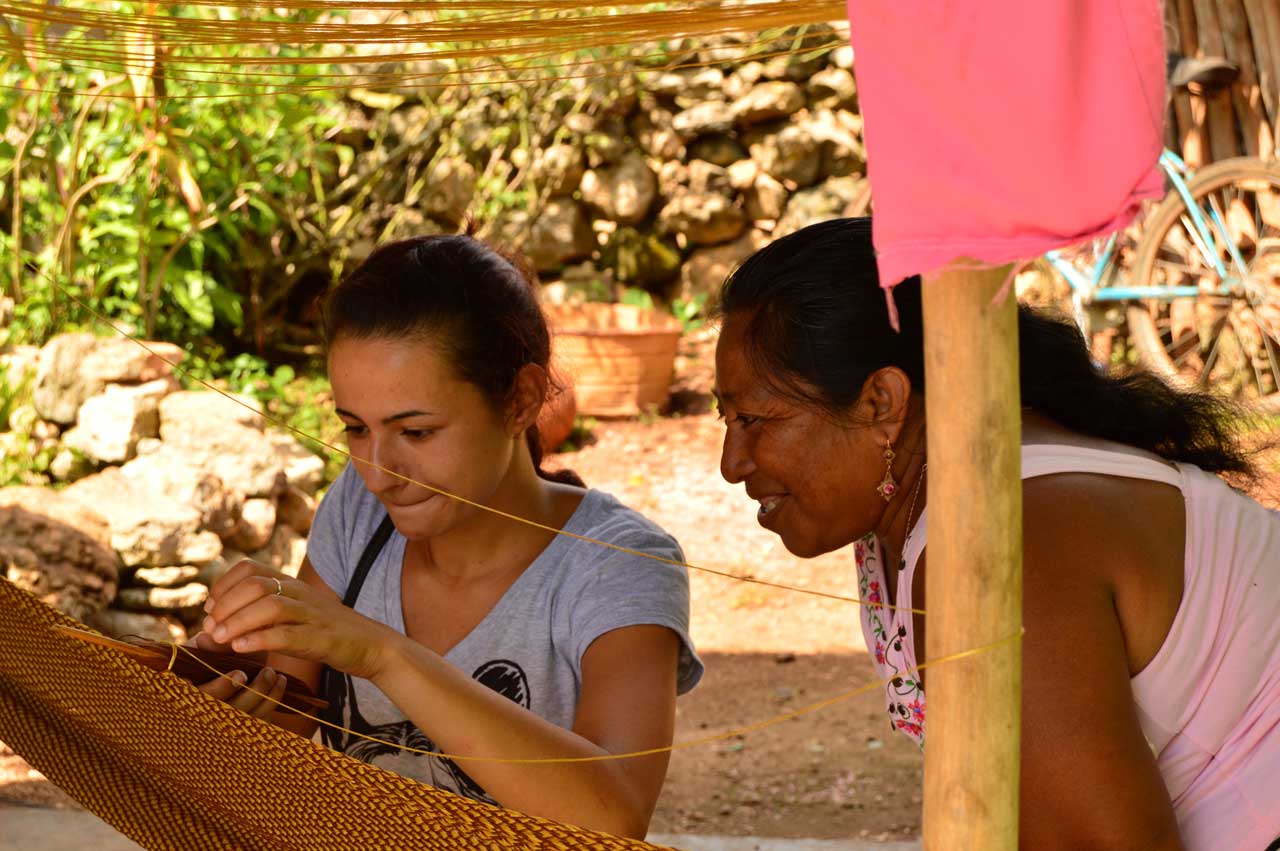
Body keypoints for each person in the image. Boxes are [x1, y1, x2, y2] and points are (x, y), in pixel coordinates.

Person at [711, 217, 1280, 851]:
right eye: (725, 417)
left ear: (880, 404)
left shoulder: (1010, 540)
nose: (732, 462)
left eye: (756, 419)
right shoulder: (915, 499)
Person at [196, 233, 702, 838]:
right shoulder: (359, 514)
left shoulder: (617, 565)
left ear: (520, 401)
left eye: (417, 432)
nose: (378, 472)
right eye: (355, 429)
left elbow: (615, 819)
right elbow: (288, 721)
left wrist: (381, 654)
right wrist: (219, 699)